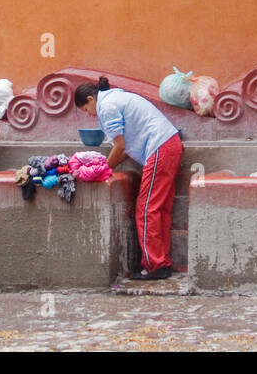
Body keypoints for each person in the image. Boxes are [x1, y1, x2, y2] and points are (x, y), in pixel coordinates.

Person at [75, 76, 183, 281]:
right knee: (160, 209)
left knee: (146, 209)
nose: (89, 114)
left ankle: (155, 265)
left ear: (91, 99)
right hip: (170, 145)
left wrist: (102, 169)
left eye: (85, 109)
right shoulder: (116, 97)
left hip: (160, 148)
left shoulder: (106, 107)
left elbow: (120, 146)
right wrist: (107, 165)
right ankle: (162, 262)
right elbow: (126, 147)